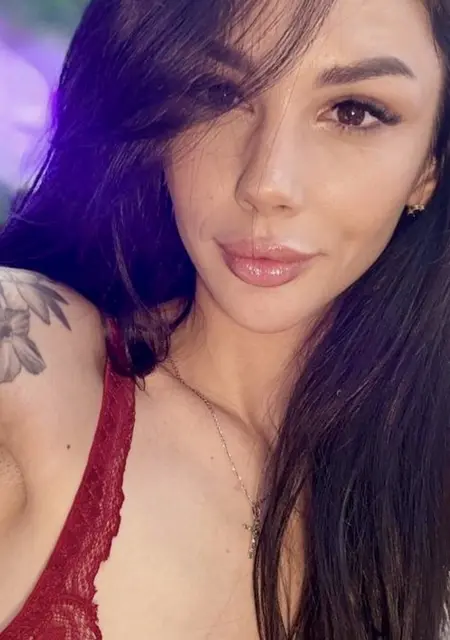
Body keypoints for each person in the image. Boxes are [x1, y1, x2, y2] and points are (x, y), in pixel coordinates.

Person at [0, 0, 449, 637]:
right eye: (218, 93)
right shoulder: (32, 364)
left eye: (354, 111)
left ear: (429, 167)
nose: (267, 183)